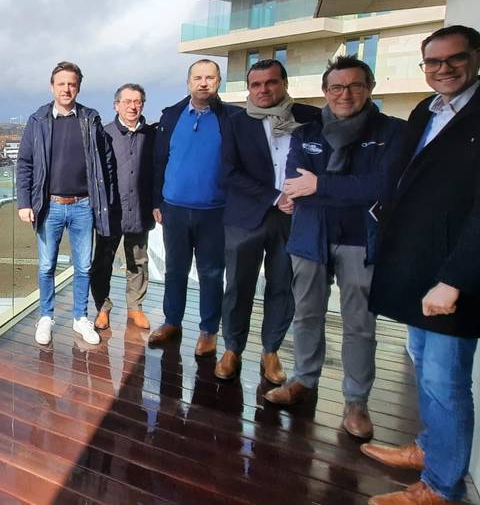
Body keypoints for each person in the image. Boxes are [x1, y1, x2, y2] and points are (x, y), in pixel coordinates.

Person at [361, 26, 480, 505]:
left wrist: (454, 279)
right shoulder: (428, 109)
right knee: (425, 368)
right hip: (417, 267)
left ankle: (441, 488)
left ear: (478, 56)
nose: (443, 69)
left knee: (445, 381)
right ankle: (429, 449)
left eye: (454, 59)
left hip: (452, 276)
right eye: (432, 62)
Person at [261, 55, 405, 443]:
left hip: (362, 240)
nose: (345, 94)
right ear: (325, 92)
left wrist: (320, 187)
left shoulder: (391, 132)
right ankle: (303, 379)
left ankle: (356, 401)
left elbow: (382, 187)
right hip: (310, 236)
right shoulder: (307, 132)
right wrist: (334, 189)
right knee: (306, 314)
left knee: (360, 323)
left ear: (370, 88)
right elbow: (294, 181)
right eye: (336, 87)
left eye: (355, 86)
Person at [215, 58, 320, 384]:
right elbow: (228, 172)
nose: (263, 90)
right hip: (246, 216)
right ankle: (232, 348)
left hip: (296, 217)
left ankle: (270, 351)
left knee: (282, 286)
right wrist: (275, 197)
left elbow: (323, 163)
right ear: (249, 88)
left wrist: (301, 196)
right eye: (256, 84)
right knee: (237, 287)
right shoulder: (236, 121)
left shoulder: (310, 118)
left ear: (284, 83)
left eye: (271, 82)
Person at [16, 61, 116, 347]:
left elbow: (106, 162)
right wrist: (25, 202)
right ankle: (46, 316)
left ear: (78, 87)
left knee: (84, 266)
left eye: (71, 83)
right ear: (52, 86)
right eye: (61, 83)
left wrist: (103, 200)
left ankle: (79, 317)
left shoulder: (90, 119)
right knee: (47, 265)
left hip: (84, 206)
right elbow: (24, 163)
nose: (66, 89)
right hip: (49, 207)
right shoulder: (38, 120)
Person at [147, 59, 240, 353]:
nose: (203, 83)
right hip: (173, 210)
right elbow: (158, 162)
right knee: (175, 269)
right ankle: (172, 321)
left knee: (211, 273)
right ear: (188, 83)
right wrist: (156, 201)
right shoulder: (171, 116)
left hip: (216, 212)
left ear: (218, 81)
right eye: (197, 78)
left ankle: (208, 330)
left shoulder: (233, 119)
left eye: (209, 78)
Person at [89, 83, 155, 330]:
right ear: (116, 105)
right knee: (103, 262)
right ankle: (102, 308)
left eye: (137, 101)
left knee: (138, 260)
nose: (132, 106)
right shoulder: (104, 134)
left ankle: (135, 308)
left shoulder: (152, 135)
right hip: (110, 211)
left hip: (140, 208)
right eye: (127, 101)